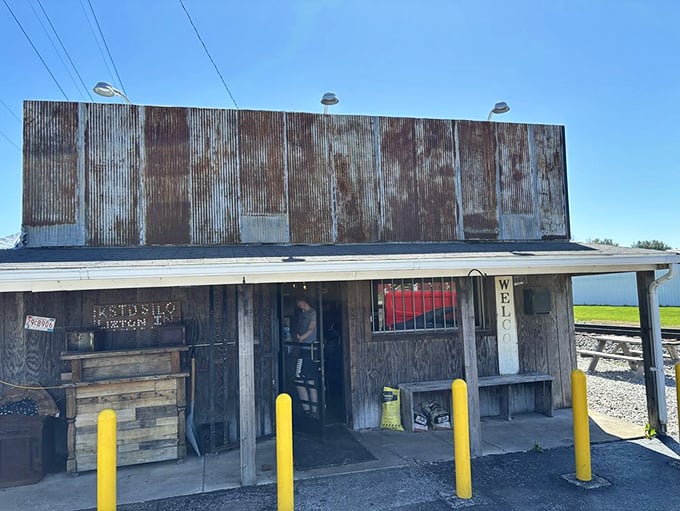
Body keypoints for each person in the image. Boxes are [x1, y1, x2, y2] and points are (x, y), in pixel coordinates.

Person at [293, 294, 319, 417]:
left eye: (298, 302)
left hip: (308, 349)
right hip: (304, 348)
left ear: (303, 301)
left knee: (299, 378)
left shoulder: (312, 313)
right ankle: (312, 410)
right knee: (309, 380)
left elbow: (311, 328)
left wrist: (301, 338)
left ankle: (309, 410)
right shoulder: (301, 314)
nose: (297, 305)